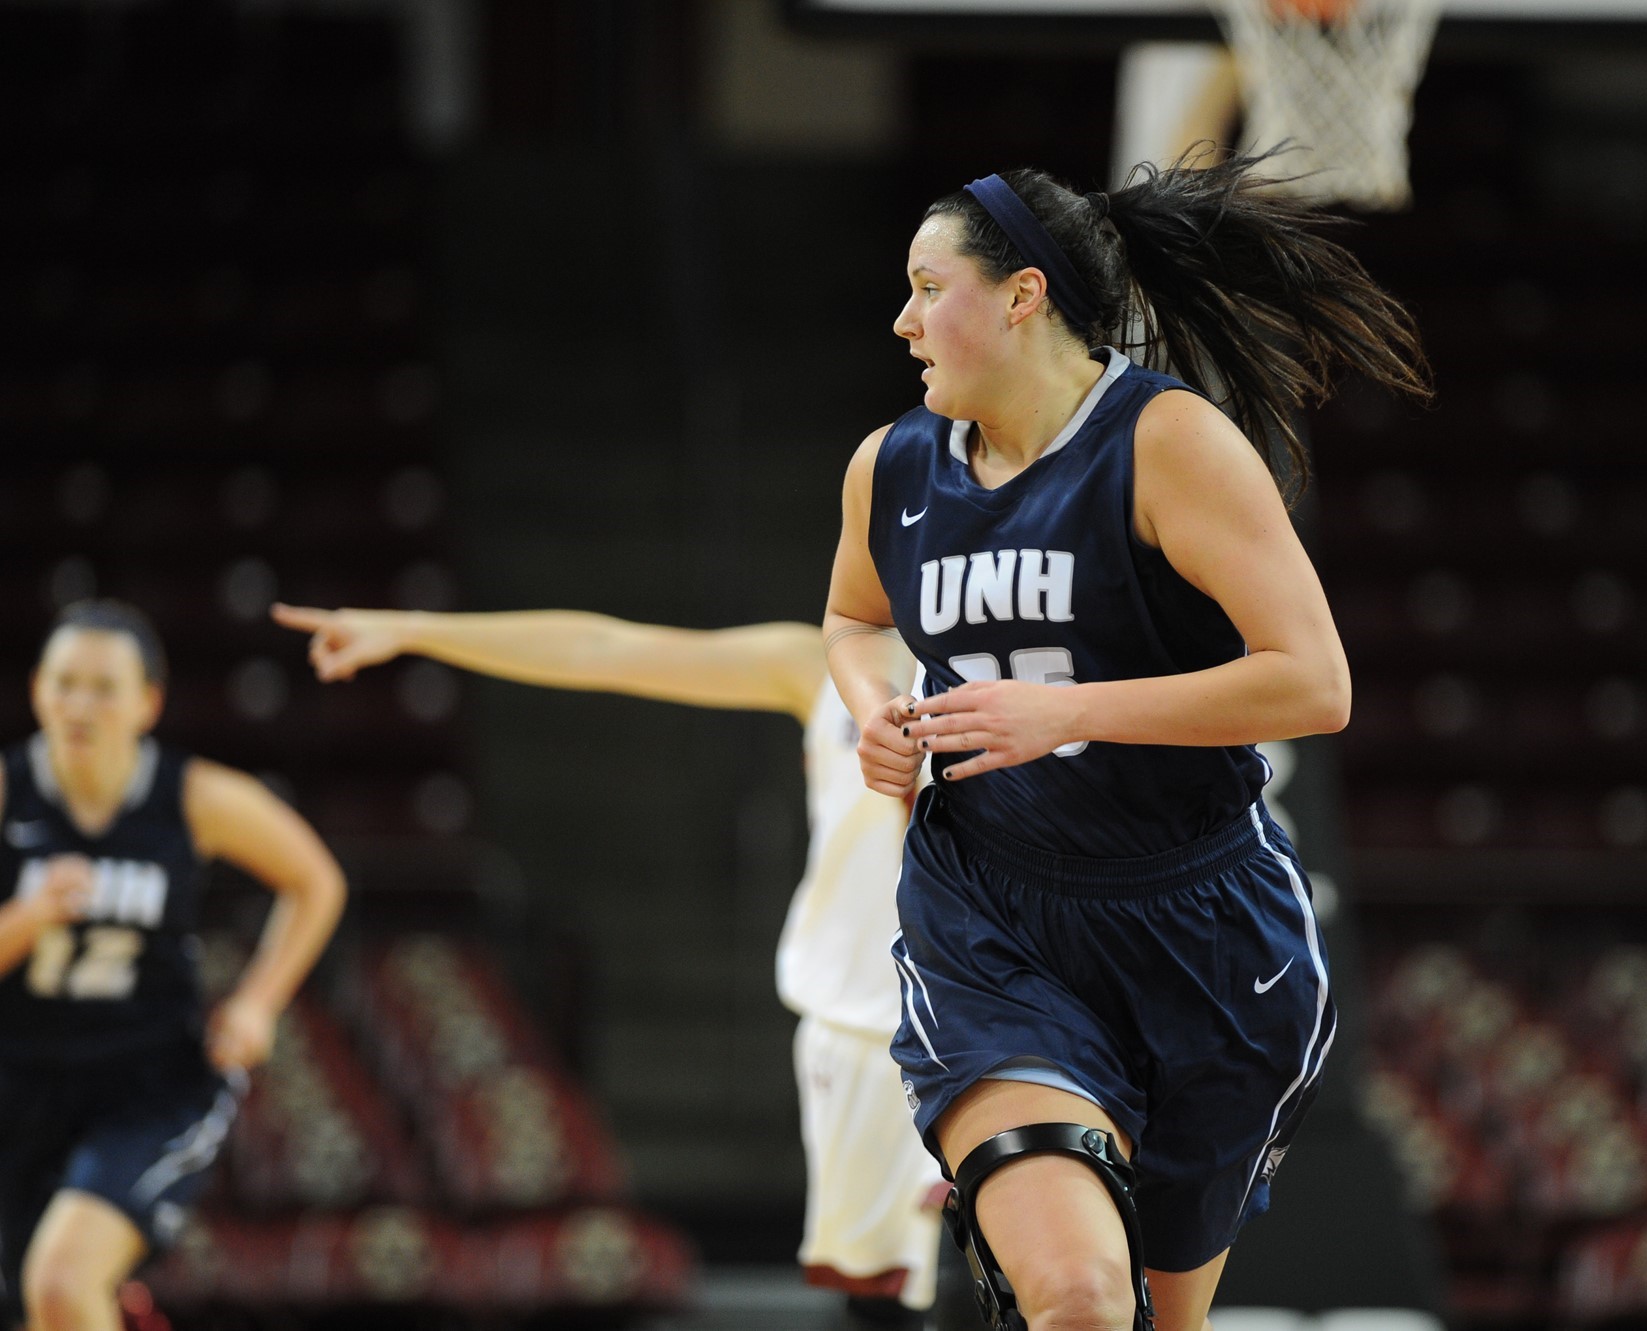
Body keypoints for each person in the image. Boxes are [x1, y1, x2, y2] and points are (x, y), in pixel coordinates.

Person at [821, 150, 1428, 1331]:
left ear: (1021, 295)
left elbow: (1314, 681)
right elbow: (852, 619)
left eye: (924, 285)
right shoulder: (889, 466)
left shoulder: (1165, 442)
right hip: (990, 916)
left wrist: (1073, 711)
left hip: (1201, 920)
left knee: (1161, 1314)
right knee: (1080, 1296)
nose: (902, 322)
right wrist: (873, 706)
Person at [267, 603, 955, 1331]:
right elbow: (607, 647)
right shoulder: (825, 662)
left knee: (1019, 1270)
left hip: (1000, 1010)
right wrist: (416, 631)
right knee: (884, 1304)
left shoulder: (1057, 667)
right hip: (859, 1029)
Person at [0, 600, 347, 1331]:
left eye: (102, 686)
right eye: (64, 682)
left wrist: (258, 1000)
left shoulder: (193, 797)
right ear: (36, 690)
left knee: (62, 1283)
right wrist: (23, 920)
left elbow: (317, 881)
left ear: (148, 702)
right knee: (45, 1306)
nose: (79, 703)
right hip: (22, 1084)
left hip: (150, 1083)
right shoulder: (9, 793)